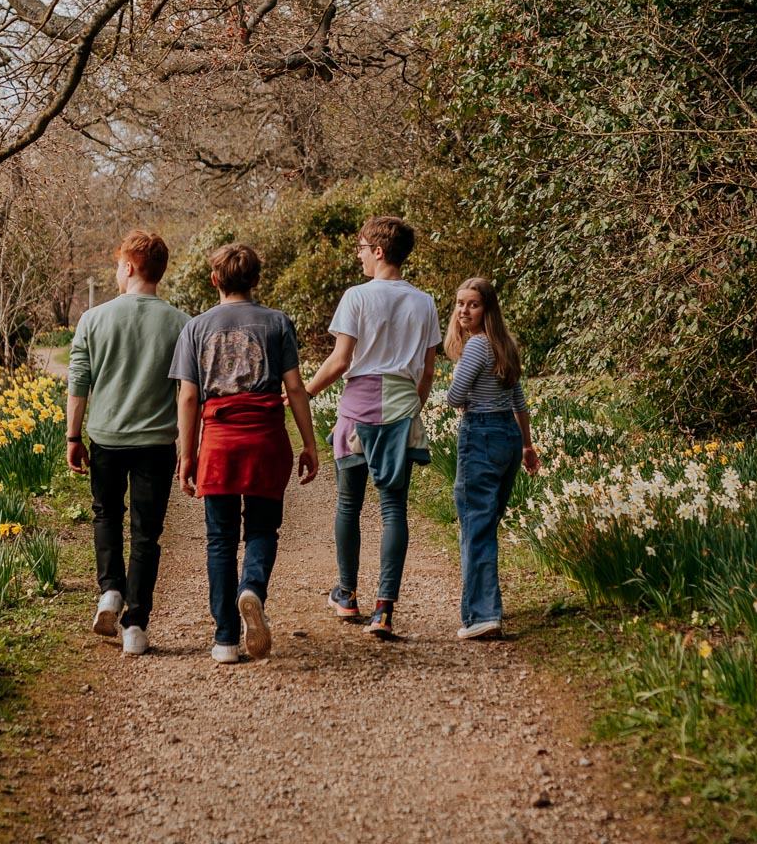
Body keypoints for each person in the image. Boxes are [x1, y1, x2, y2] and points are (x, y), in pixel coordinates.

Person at [171, 242, 319, 664]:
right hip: (266, 438)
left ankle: (225, 640)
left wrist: (187, 454)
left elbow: (188, 397)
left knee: (219, 539)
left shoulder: (196, 328)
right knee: (262, 529)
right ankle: (251, 587)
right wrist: (309, 444)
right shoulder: (277, 323)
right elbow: (295, 388)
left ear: (214, 280)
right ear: (256, 279)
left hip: (219, 442)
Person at [303, 216, 440, 639]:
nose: (359, 255)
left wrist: (304, 393)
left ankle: (346, 595)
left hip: (357, 409)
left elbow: (340, 360)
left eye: (362, 248)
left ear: (379, 251)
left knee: (349, 505)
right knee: (393, 509)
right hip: (402, 407)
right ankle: (384, 610)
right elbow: (428, 372)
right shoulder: (425, 302)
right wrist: (412, 408)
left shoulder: (357, 297)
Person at [66, 230, 191, 656]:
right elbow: (188, 394)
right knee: (146, 534)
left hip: (106, 438)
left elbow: (79, 384)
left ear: (129, 266)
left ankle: (110, 591)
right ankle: (135, 625)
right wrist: (189, 448)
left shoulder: (93, 319)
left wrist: (73, 436)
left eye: (119, 265)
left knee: (106, 514)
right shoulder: (181, 324)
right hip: (156, 443)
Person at [443, 277, 539, 639]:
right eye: (460, 303)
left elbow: (454, 397)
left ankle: (483, 615)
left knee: (477, 527)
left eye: (473, 304)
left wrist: (460, 385)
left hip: (480, 434)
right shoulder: (504, 345)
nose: (464, 311)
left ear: (488, 309)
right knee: (483, 524)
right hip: (508, 439)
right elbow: (519, 401)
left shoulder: (477, 346)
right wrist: (527, 446)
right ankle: (485, 605)